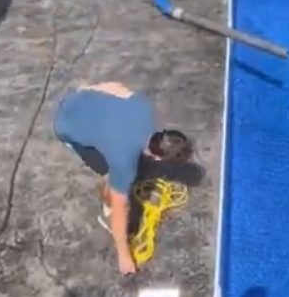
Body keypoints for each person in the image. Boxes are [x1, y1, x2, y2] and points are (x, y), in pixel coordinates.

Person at [53, 81, 193, 276]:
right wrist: (124, 255)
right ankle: (105, 210)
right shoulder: (123, 161)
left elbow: (116, 87)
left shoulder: (144, 108)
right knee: (110, 180)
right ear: (157, 157)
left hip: (78, 99)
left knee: (119, 165)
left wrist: (87, 89)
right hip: (66, 127)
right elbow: (121, 209)